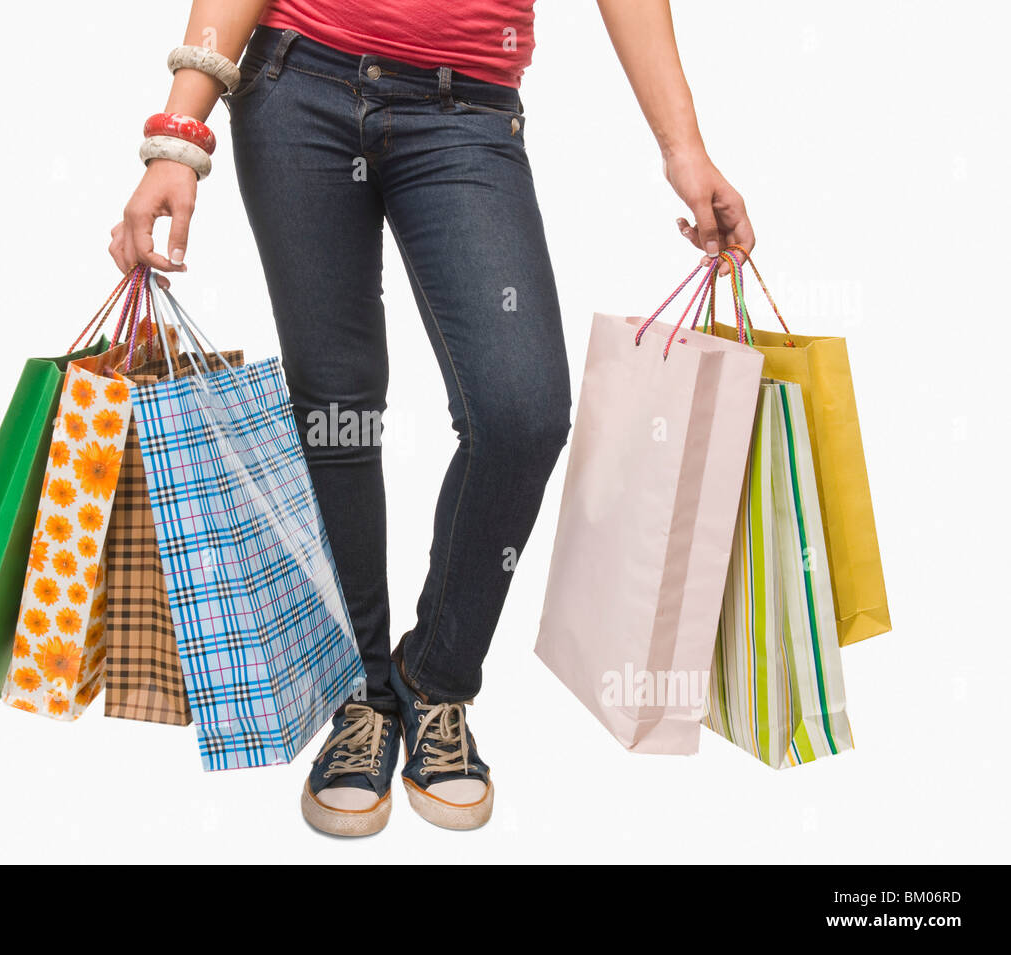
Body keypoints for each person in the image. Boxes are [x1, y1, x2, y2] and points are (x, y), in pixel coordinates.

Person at [110, 0, 756, 836]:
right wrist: (179, 132)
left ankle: (435, 678)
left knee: (521, 411)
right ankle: (363, 695)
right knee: (337, 407)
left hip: (468, 110)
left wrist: (684, 149)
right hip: (297, 83)